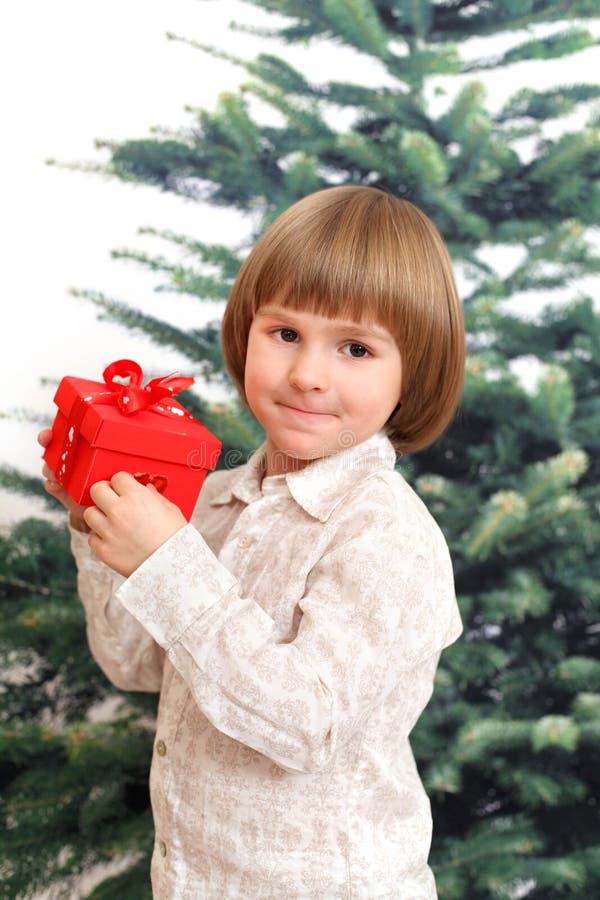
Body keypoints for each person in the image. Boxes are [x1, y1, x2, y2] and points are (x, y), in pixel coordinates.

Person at [39, 185, 465, 899]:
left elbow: (306, 726)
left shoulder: (388, 537)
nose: (307, 375)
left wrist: (168, 563)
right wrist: (97, 520)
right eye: (286, 334)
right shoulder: (215, 500)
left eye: (355, 348)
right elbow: (134, 661)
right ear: (246, 333)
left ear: (409, 376)